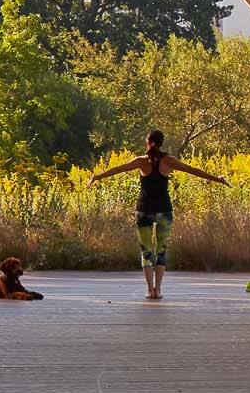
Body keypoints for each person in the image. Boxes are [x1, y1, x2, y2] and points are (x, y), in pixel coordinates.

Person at [91, 127, 227, 298]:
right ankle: (159, 289)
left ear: (148, 142)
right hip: (164, 209)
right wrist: (217, 179)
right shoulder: (169, 161)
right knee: (161, 251)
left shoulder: (141, 161)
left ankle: (150, 290)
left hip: (144, 210)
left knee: (146, 251)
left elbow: (118, 169)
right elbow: (193, 170)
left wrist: (97, 176)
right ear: (161, 143)